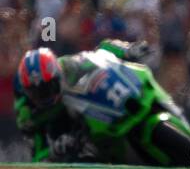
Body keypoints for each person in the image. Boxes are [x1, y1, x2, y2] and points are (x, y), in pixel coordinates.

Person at [14, 39, 154, 162]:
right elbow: (37, 157)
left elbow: (101, 52)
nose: (44, 95)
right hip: (70, 139)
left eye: (48, 87)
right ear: (26, 90)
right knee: (79, 158)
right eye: (36, 92)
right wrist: (54, 150)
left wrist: (126, 49)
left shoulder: (67, 66)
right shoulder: (26, 113)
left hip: (96, 111)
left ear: (57, 74)